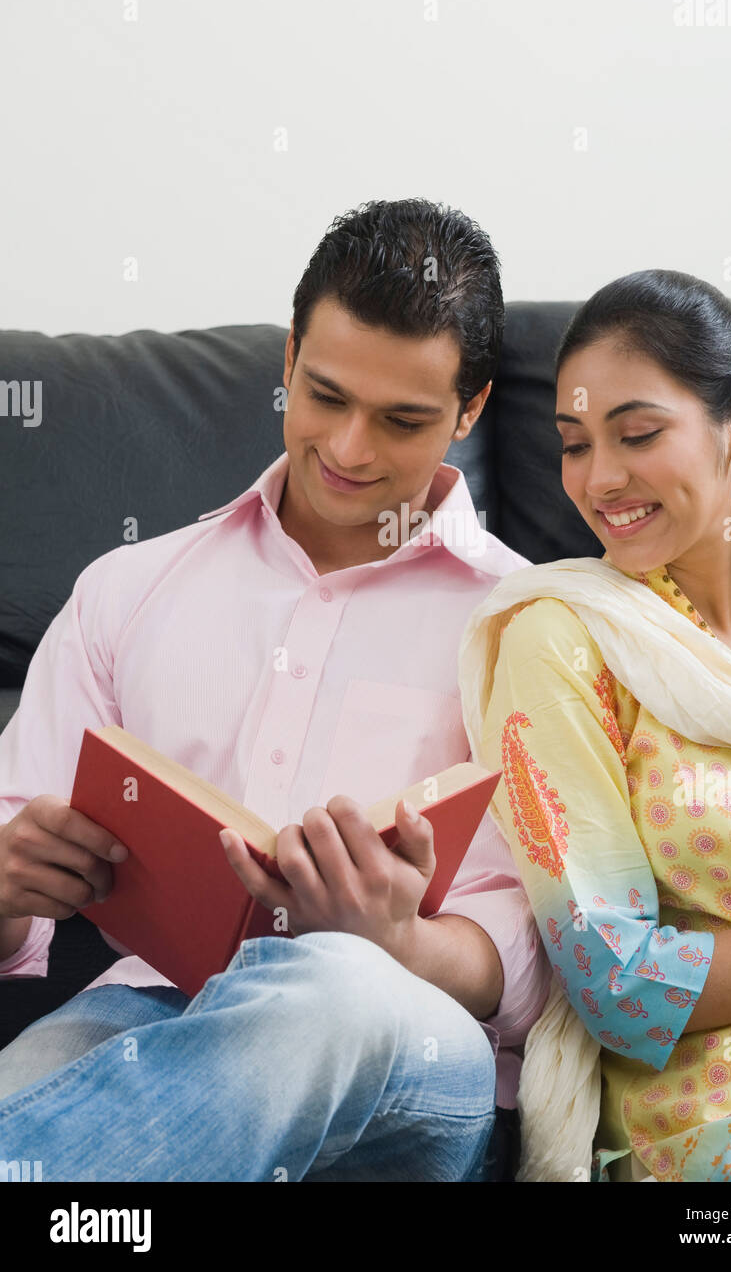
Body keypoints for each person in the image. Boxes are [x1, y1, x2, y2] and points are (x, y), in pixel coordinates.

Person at [0, 199, 551, 1182]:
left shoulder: (529, 627)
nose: (347, 450)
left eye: (402, 420)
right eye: (325, 395)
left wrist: (397, 938)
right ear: (290, 356)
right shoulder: (131, 588)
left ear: (470, 411)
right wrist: (9, 887)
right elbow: (16, 917)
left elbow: (546, 959)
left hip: (402, 1036)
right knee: (33, 1091)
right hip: (145, 1009)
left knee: (332, 983)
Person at [457, 268, 731, 1183]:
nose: (600, 479)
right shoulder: (562, 642)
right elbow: (622, 986)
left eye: (637, 434)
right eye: (573, 444)